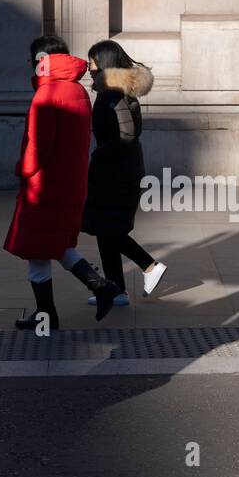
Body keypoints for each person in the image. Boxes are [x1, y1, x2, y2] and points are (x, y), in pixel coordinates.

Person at [4, 35, 120, 330]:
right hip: (70, 184)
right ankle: (96, 287)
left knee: (37, 248)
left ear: (40, 60)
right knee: (53, 244)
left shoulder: (46, 95)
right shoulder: (77, 90)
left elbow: (38, 146)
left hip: (45, 187)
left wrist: (23, 170)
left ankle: (49, 313)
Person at [80, 40, 167, 305]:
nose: (89, 67)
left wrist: (99, 154)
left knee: (107, 229)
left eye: (92, 61)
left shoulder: (112, 93)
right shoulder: (114, 90)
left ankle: (150, 266)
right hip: (119, 170)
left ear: (104, 62)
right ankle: (116, 290)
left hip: (116, 173)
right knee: (105, 229)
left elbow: (126, 134)